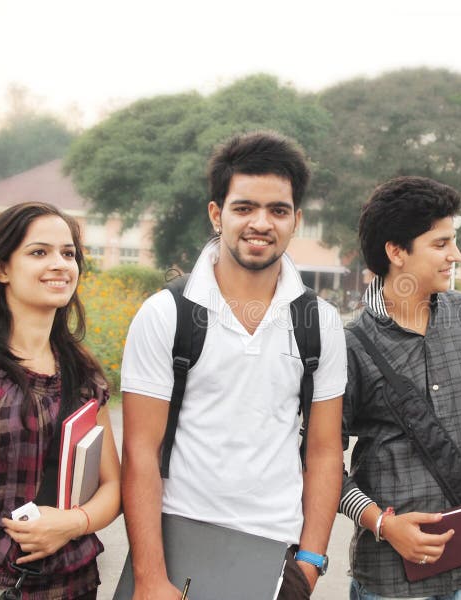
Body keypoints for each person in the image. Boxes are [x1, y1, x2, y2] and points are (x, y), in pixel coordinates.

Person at [120, 131, 347, 599]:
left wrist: (310, 561)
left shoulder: (319, 322)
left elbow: (324, 451)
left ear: (295, 220)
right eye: (244, 207)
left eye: (278, 210)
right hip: (180, 542)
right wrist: (148, 578)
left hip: (278, 555)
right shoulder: (167, 313)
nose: (260, 223)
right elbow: (141, 449)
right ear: (216, 213)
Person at [340, 176, 461, 600]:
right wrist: (382, 524)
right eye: (440, 245)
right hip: (392, 580)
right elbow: (322, 461)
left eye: (453, 242)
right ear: (396, 251)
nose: (455, 256)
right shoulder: (349, 344)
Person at [0, 202, 122, 599]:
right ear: (1, 268)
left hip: (75, 585)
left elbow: (113, 486)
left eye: (68, 253)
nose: (60, 264)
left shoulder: (83, 373)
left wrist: (73, 523)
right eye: (39, 252)